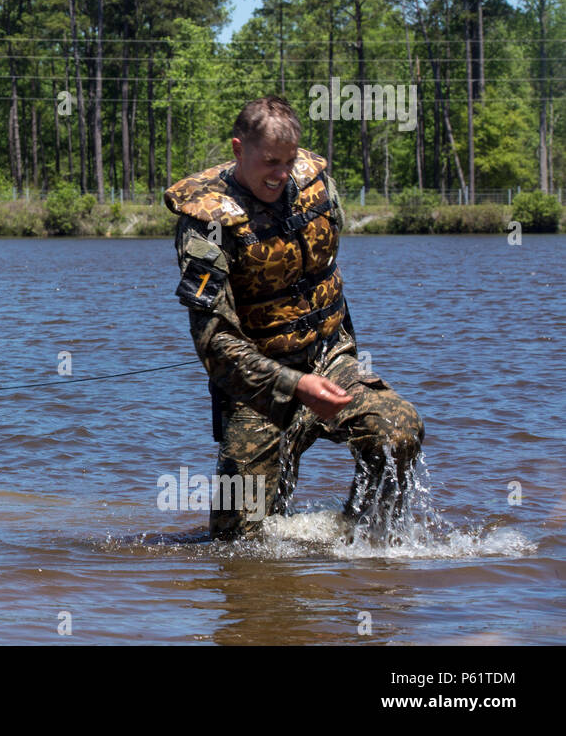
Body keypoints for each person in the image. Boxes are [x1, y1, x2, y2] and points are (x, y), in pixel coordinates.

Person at [163, 95, 425, 539]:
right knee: (236, 545)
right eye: (270, 162)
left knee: (399, 429)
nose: (282, 174)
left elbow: (328, 281)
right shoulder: (205, 221)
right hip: (257, 389)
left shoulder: (315, 184)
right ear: (238, 149)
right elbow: (215, 343)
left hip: (331, 363)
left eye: (289, 161)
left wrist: (334, 362)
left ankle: (365, 541)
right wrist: (295, 385)